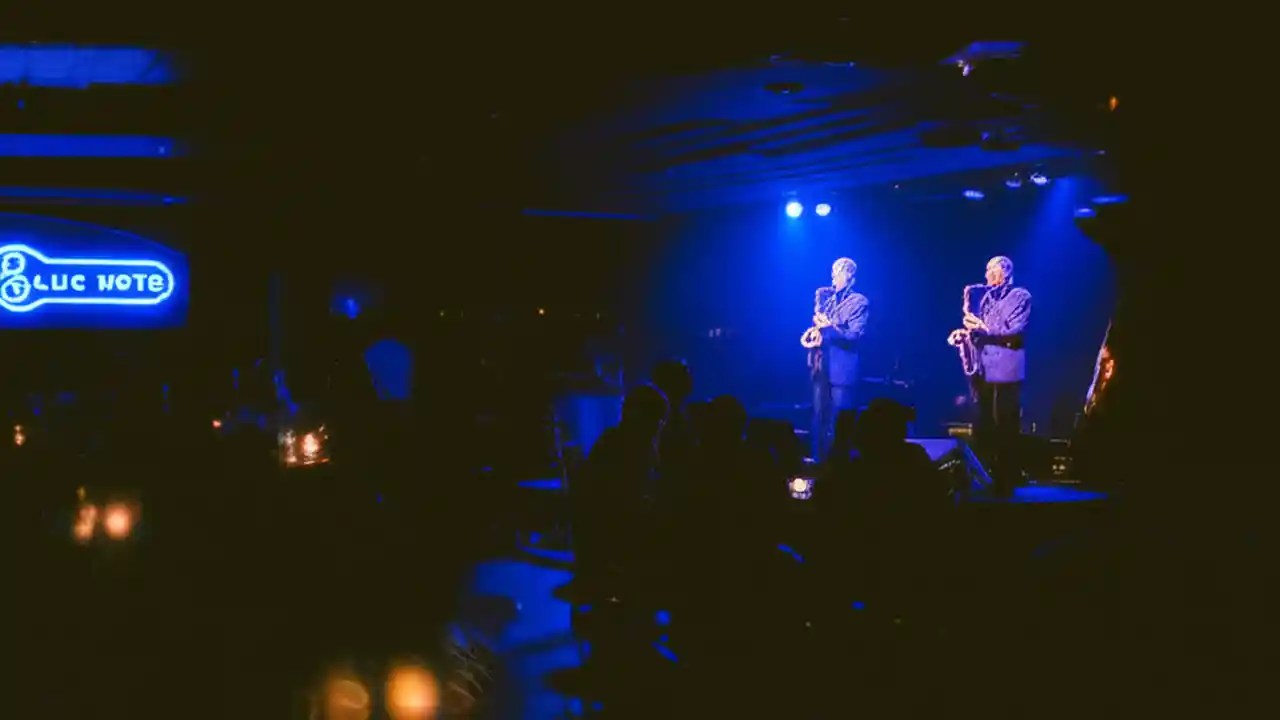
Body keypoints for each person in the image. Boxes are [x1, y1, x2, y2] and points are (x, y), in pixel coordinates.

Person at [958, 255, 1032, 494]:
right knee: (986, 424)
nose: (986, 276)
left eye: (991, 271)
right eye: (987, 271)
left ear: (1005, 272)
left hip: (1007, 369)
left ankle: (1007, 476)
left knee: (1005, 423)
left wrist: (983, 328)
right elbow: (984, 331)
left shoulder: (1021, 296)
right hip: (985, 369)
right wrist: (967, 334)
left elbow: (1015, 331)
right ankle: (988, 473)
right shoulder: (987, 298)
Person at [806, 257, 870, 461]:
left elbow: (854, 336)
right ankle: (817, 462)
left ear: (849, 275)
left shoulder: (859, 302)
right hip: (821, 371)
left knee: (840, 424)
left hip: (842, 373)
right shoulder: (830, 302)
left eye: (837, 272)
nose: (832, 276)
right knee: (818, 420)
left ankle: (838, 468)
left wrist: (829, 328)